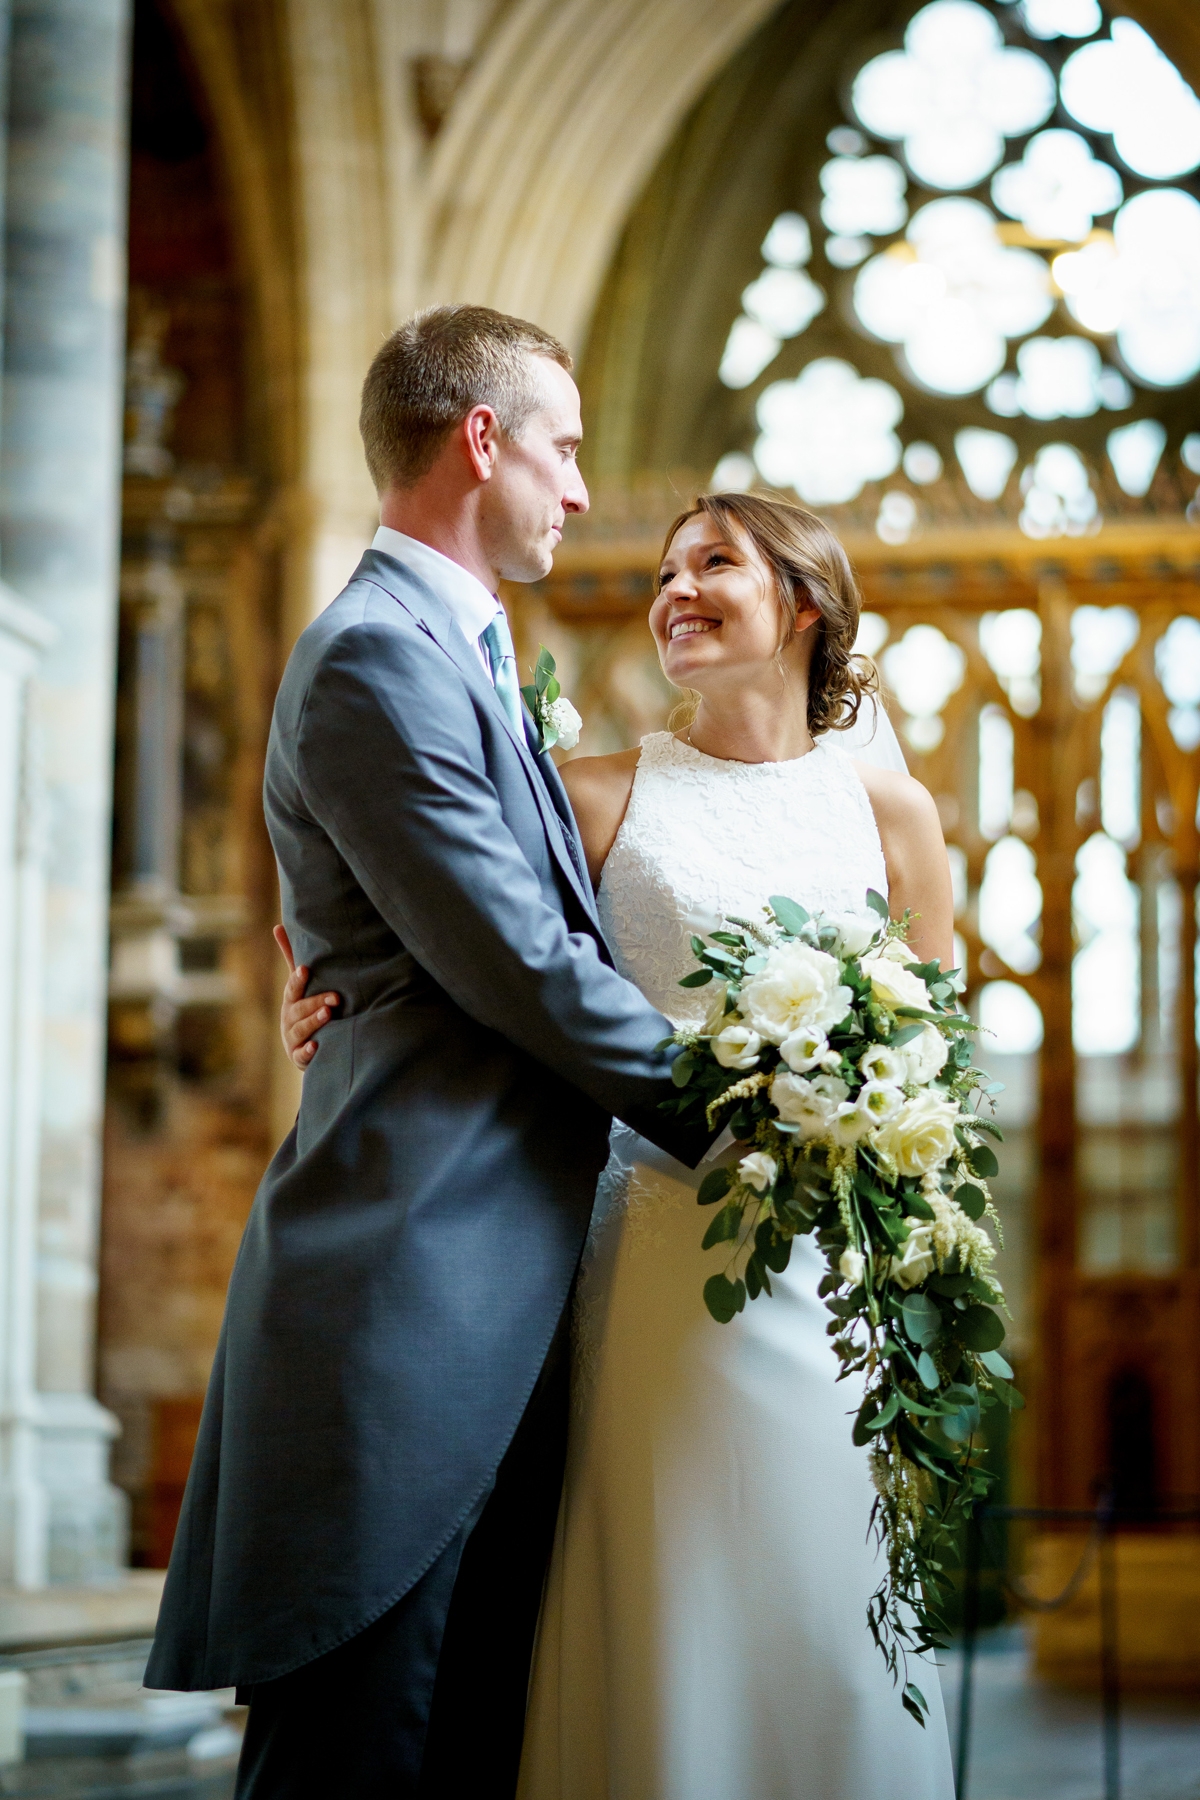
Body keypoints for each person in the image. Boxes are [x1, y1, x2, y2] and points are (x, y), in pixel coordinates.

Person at [282, 492, 960, 1795]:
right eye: (664, 570)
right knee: (665, 1578)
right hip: (654, 1249)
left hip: (829, 1284)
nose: (674, 589)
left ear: (804, 605)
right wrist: (336, 1006)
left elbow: (935, 1041)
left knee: (828, 1584)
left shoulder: (895, 814)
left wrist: (892, 1169)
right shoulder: (594, 797)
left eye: (715, 563)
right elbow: (478, 969)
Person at [145, 304, 713, 1800]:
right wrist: (757, 1121)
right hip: (406, 1296)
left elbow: (476, 950)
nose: (581, 490)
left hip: (503, 1286)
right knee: (359, 1756)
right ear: (481, 441)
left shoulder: (459, 653)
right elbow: (519, 963)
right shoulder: (372, 663)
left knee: (464, 1748)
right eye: (564, 448)